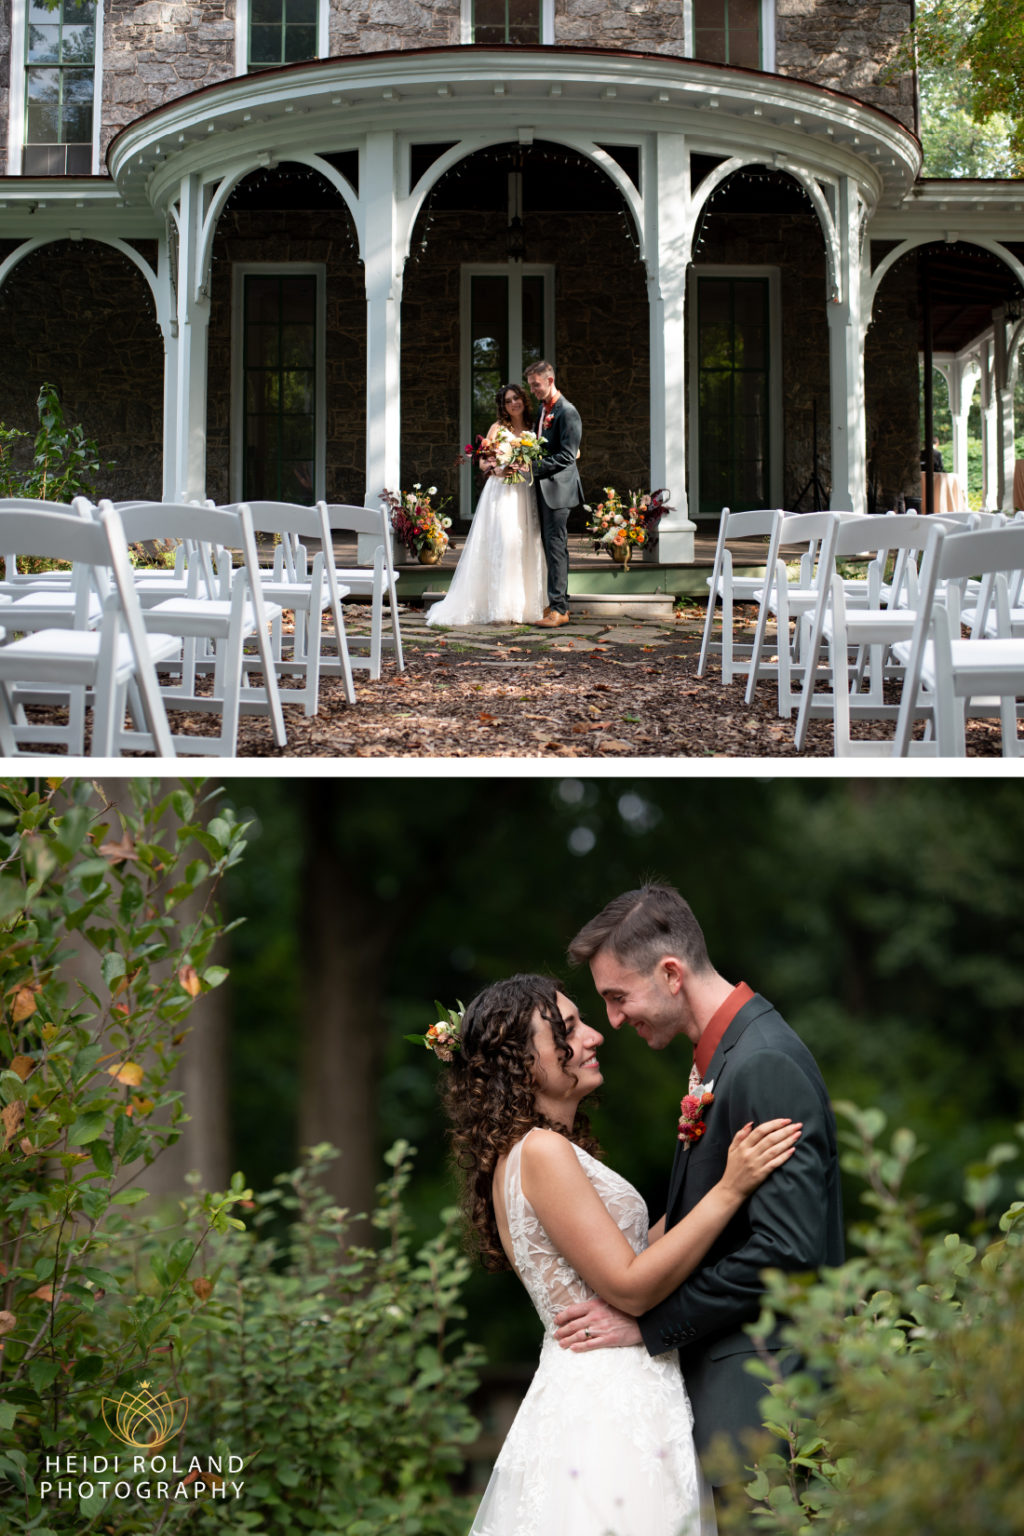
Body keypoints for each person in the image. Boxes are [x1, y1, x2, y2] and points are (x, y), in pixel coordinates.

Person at [434, 972, 802, 1536]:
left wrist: (709, 1165)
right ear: (520, 1061)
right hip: (608, 1397)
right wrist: (730, 1189)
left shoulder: (533, 1151)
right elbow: (630, 1285)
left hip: (608, 1386)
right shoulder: (542, 1151)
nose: (593, 1036)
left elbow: (639, 1251)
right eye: (568, 1029)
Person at [556, 884, 844, 1515]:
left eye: (618, 997)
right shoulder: (725, 1059)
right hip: (738, 1403)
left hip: (769, 1403)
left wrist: (649, 1325)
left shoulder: (763, 1064)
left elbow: (787, 1251)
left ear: (670, 974)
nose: (613, 1020)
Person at [426, 383, 547, 627]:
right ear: (503, 406)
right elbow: (483, 462)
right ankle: (499, 607)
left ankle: (525, 606)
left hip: (524, 491)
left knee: (523, 542)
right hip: (501, 492)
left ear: (523, 400)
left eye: (516, 398)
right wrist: (498, 469)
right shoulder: (498, 428)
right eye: (508, 401)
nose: (513, 403)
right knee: (502, 542)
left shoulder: (534, 428)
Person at [525, 361, 584, 630]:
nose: (533, 390)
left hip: (559, 490)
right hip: (544, 488)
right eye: (530, 385)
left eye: (536, 385)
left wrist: (531, 467)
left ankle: (560, 609)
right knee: (550, 547)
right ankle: (557, 603)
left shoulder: (568, 412)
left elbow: (567, 456)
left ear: (550, 381)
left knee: (556, 547)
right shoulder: (543, 409)